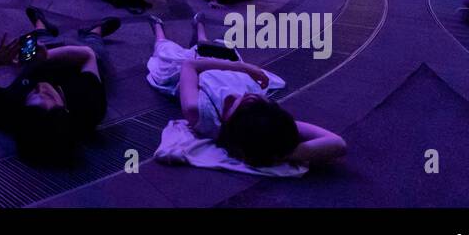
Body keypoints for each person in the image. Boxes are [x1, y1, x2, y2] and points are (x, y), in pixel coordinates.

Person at [0, 8, 121, 163]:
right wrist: (48, 58)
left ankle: (40, 25)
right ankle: (96, 31)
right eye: (49, 97)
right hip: (78, 62)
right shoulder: (89, 105)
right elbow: (87, 56)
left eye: (32, 95)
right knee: (95, 48)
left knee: (37, 43)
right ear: (64, 109)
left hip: (40, 62)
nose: (41, 87)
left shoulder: (14, 111)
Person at [145, 15, 346, 167]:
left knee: (165, 49)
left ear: (231, 127)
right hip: (224, 66)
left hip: (188, 69)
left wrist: (244, 68)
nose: (235, 96)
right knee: (207, 46)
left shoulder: (197, 112)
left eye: (236, 104)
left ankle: (158, 27)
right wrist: (285, 154)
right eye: (254, 99)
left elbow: (190, 65)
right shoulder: (267, 123)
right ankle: (199, 26)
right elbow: (337, 143)